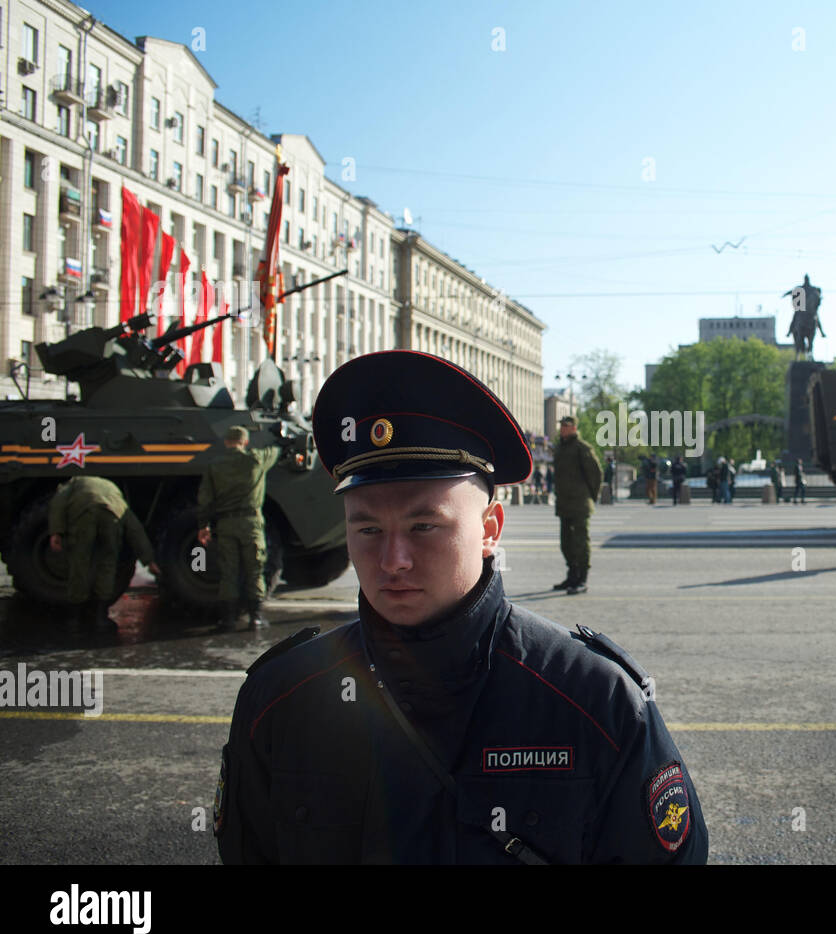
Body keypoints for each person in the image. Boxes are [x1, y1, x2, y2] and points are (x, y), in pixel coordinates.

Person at [214, 351, 707, 864]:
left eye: (423, 526)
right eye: (367, 529)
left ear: (490, 528)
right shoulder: (282, 700)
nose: (393, 560)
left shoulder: (596, 701)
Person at [47, 475, 161, 633]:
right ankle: (100, 617)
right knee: (108, 564)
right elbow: (135, 529)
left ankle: (74, 618)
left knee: (80, 564)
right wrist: (149, 560)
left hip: (84, 511)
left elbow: (58, 503)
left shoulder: (74, 482)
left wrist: (56, 531)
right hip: (113, 512)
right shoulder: (114, 492)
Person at [196, 425, 282, 630]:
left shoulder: (214, 465)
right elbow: (276, 451)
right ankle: (256, 617)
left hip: (226, 524)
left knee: (228, 571)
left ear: (226, 442)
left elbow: (205, 499)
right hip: (250, 523)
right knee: (255, 569)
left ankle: (228, 619)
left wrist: (203, 526)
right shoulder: (256, 459)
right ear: (245, 442)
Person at [552, 415, 603, 594]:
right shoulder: (559, 448)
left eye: (566, 426)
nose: (563, 429)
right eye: (561, 426)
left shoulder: (582, 448)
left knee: (581, 541)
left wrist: (591, 496)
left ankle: (582, 579)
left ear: (574, 428)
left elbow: (595, 474)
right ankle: (572, 575)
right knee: (566, 542)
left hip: (580, 503)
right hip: (564, 503)